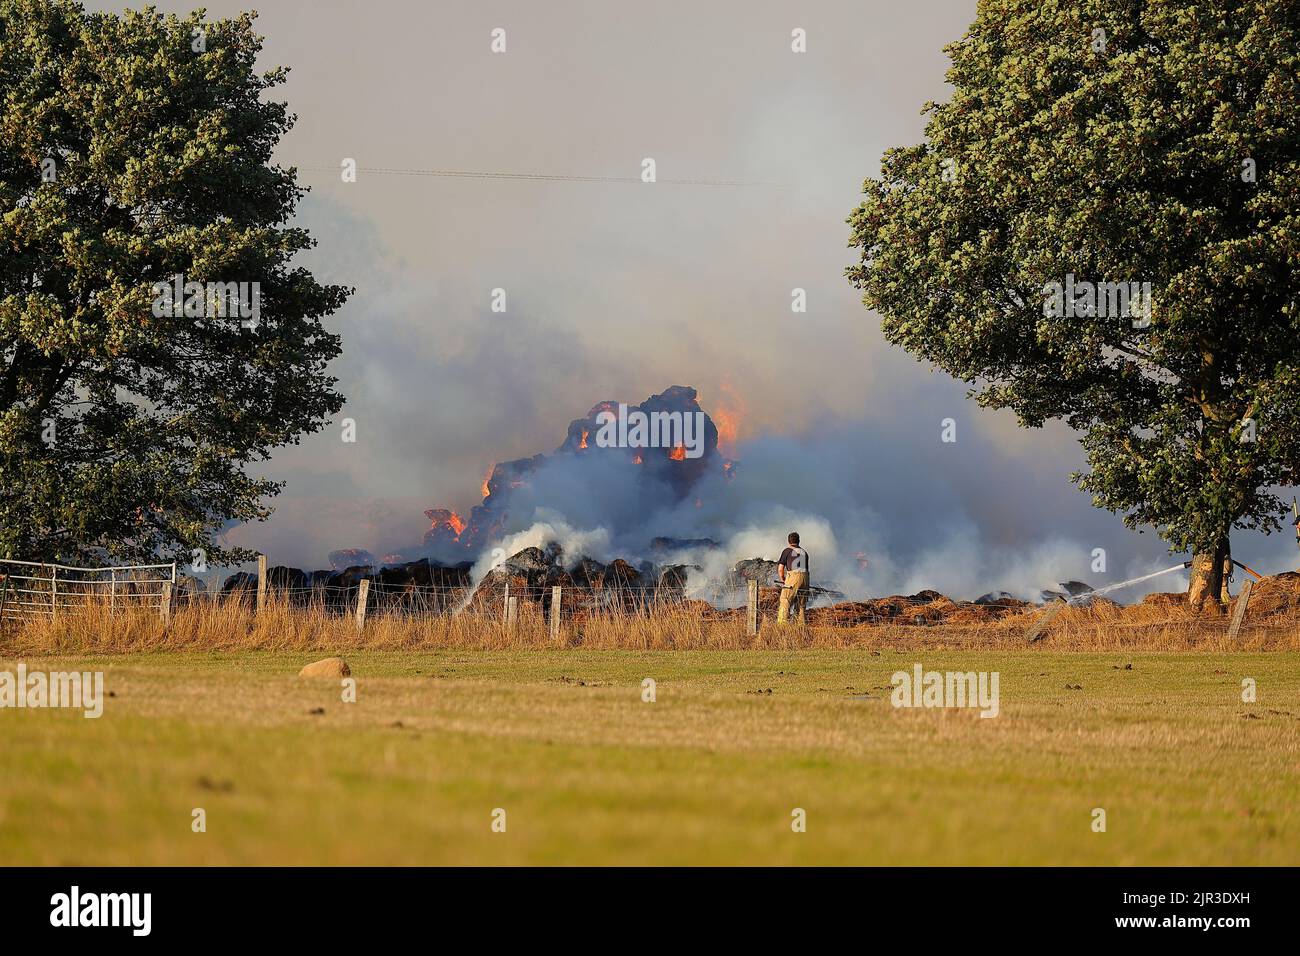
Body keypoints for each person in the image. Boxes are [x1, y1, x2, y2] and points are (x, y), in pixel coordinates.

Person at [776, 531, 809, 625]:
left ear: (788, 541)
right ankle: (800, 626)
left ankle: (782, 625)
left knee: (785, 600)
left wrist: (783, 579)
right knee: (801, 604)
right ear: (799, 541)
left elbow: (780, 569)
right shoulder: (804, 552)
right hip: (805, 577)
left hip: (793, 576)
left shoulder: (787, 551)